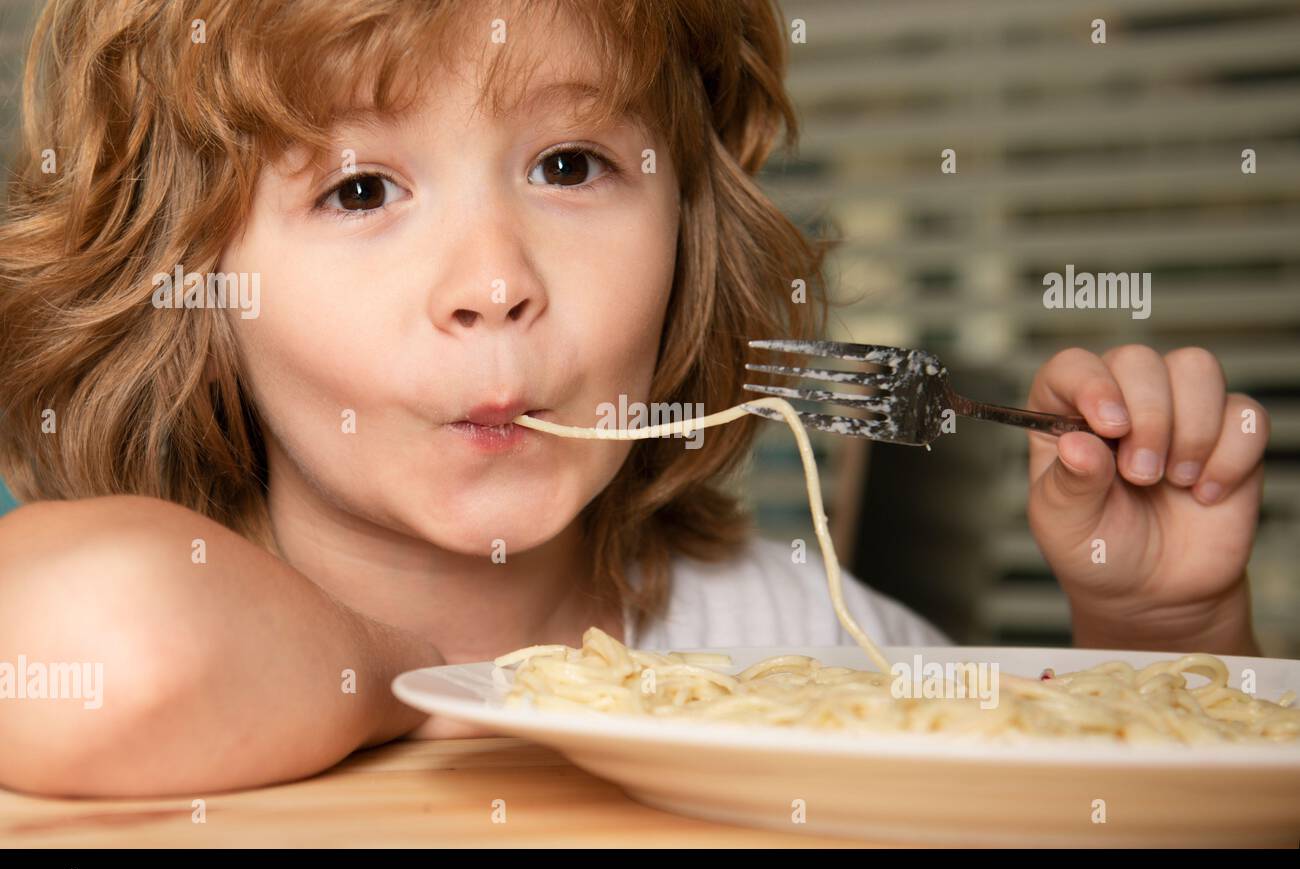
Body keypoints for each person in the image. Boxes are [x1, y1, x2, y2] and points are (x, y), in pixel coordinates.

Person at [0, 0, 1268, 796]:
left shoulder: (806, 640)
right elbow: (107, 639)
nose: (495, 283)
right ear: (186, 288)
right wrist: (436, 683)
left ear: (687, 236)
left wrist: (1167, 636)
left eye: (569, 163)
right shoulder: (132, 609)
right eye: (358, 191)